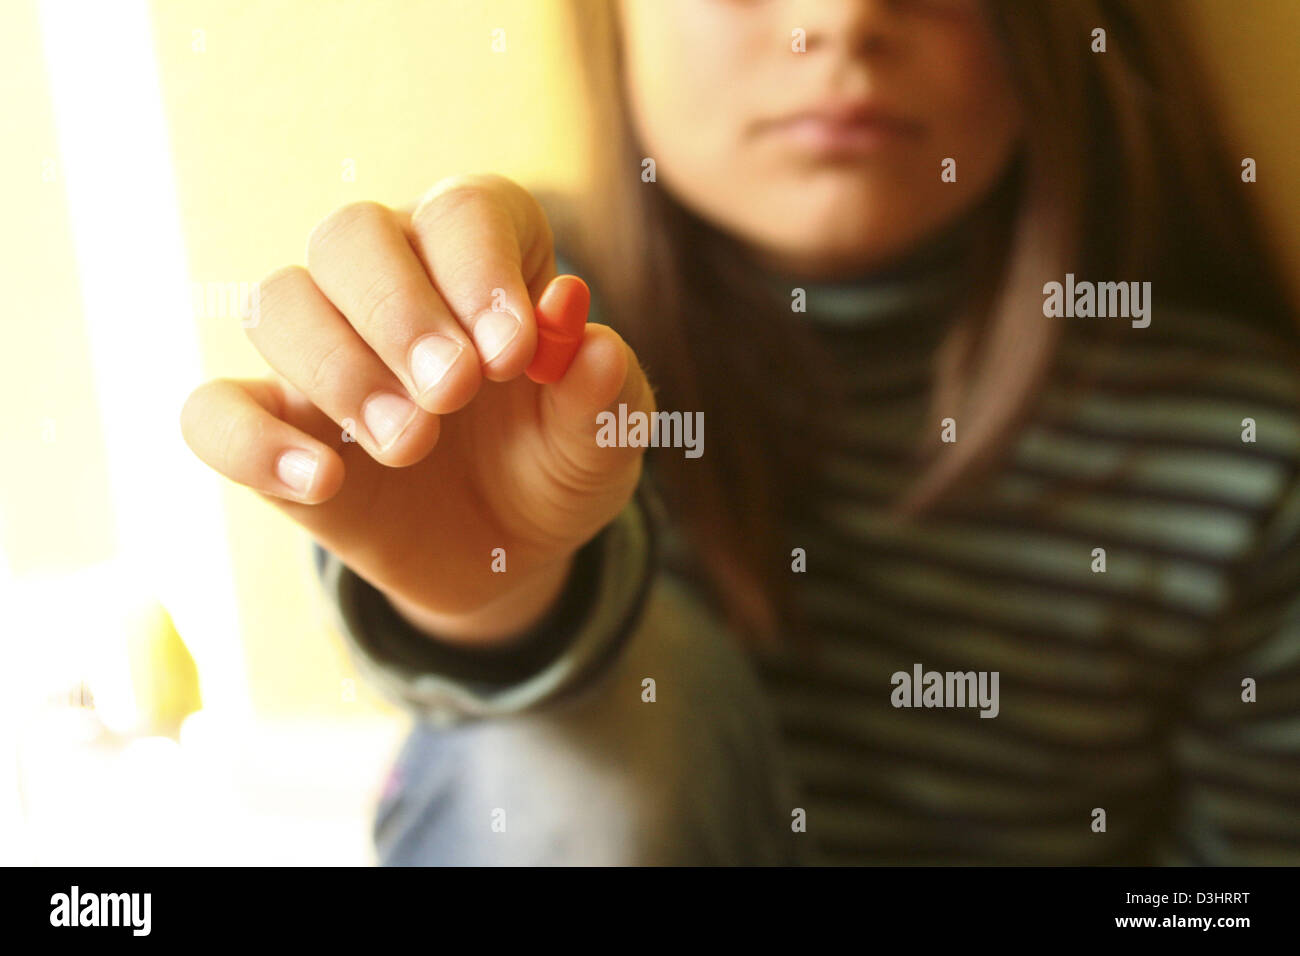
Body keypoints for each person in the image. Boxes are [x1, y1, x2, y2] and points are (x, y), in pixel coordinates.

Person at [181, 0, 1300, 865]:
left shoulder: (1243, 448)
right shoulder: (514, 331)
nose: (845, 17)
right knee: (589, 725)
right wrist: (493, 592)